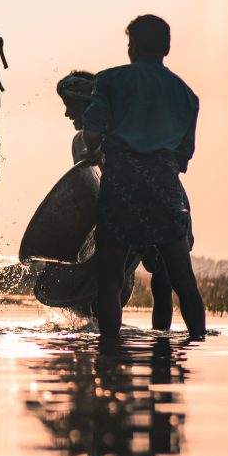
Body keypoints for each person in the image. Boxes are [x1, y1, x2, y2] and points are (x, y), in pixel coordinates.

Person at [80, 15, 205, 339]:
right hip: (165, 187)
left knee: (110, 278)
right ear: (166, 47)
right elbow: (183, 155)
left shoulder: (109, 81)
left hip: (120, 182)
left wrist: (95, 151)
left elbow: (91, 134)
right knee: (183, 280)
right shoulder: (187, 95)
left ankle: (109, 354)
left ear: (132, 47)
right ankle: (195, 344)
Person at [56, 70, 191, 331]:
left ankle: (161, 343)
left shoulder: (125, 128)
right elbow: (90, 187)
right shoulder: (80, 142)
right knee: (111, 280)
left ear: (88, 105)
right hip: (123, 208)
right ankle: (110, 345)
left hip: (160, 202)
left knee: (164, 281)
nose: (67, 114)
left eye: (70, 106)